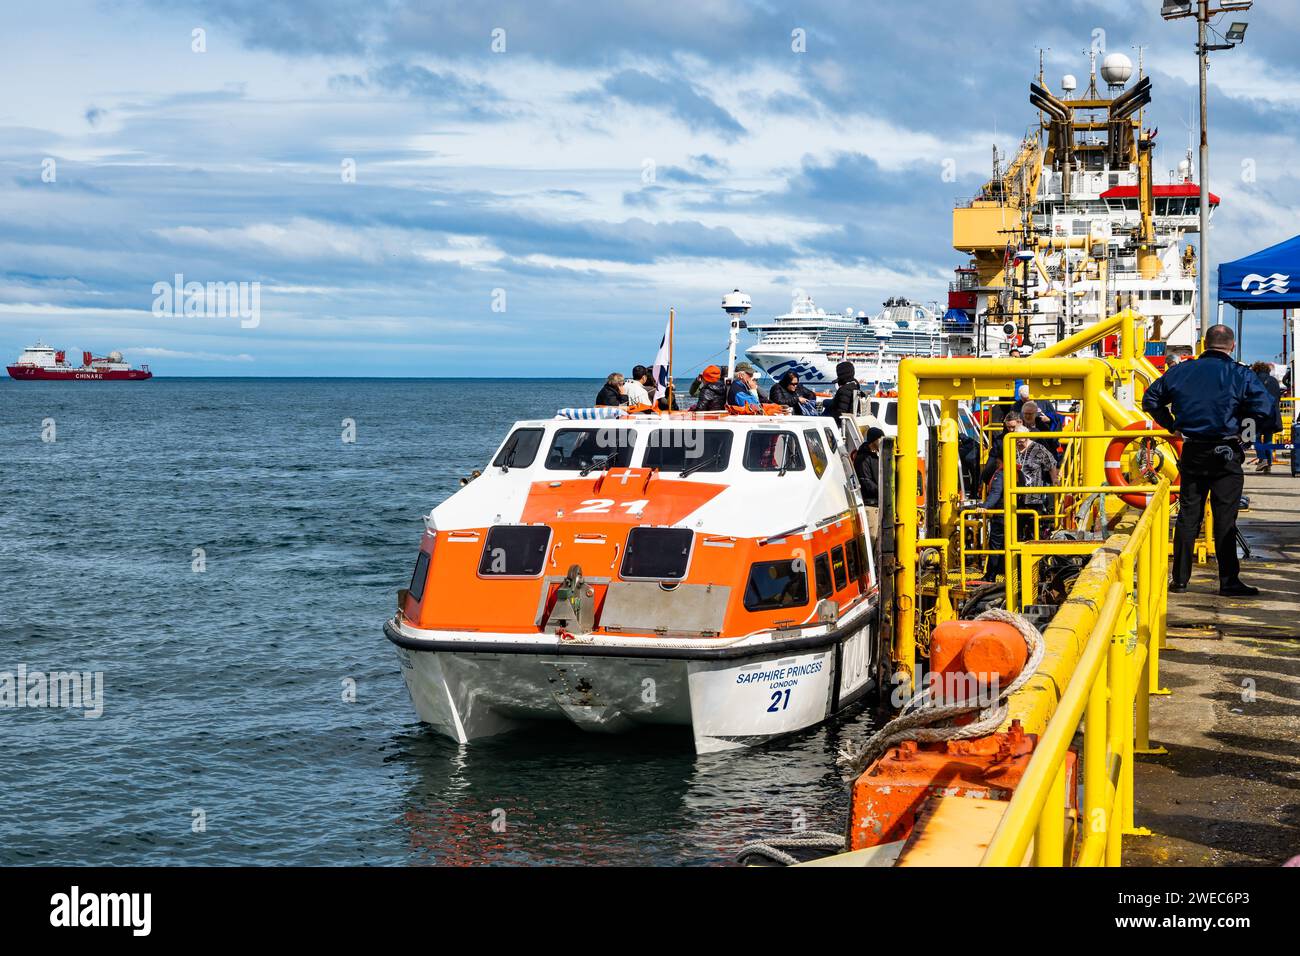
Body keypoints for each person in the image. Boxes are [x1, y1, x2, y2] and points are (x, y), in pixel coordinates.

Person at [1142, 324, 1274, 597]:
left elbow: (1151, 399)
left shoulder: (1180, 371)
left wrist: (1172, 425)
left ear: (1204, 344)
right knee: (1225, 519)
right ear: (1232, 346)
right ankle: (1229, 582)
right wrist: (1245, 436)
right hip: (1226, 453)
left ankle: (1179, 580)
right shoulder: (1241, 374)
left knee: (1188, 517)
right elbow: (1265, 409)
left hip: (1193, 451)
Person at [1247, 361, 1283, 473]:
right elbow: (1278, 397)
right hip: (1272, 415)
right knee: (1268, 440)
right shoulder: (1274, 381)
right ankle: (1268, 464)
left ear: (1256, 370)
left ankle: (1263, 459)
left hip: (1257, 415)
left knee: (1254, 437)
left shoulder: (1253, 380)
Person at [853, 426, 884, 506]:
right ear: (874, 440)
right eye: (880, 439)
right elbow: (866, 481)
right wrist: (882, 492)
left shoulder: (875, 456)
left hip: (878, 500)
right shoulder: (863, 458)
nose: (882, 442)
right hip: (870, 503)